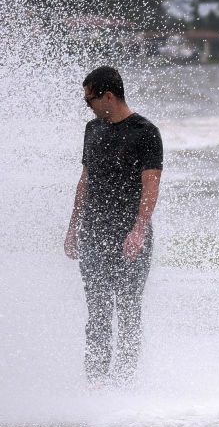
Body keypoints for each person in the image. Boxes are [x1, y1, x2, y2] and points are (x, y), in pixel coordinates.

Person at [65, 66, 162, 386]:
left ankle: (123, 384)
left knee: (129, 311)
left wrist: (138, 231)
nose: (87, 105)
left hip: (130, 237)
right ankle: (95, 384)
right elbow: (85, 181)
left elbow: (151, 186)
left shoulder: (145, 132)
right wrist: (72, 228)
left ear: (108, 96)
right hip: (93, 233)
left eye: (89, 99)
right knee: (98, 313)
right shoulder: (92, 129)